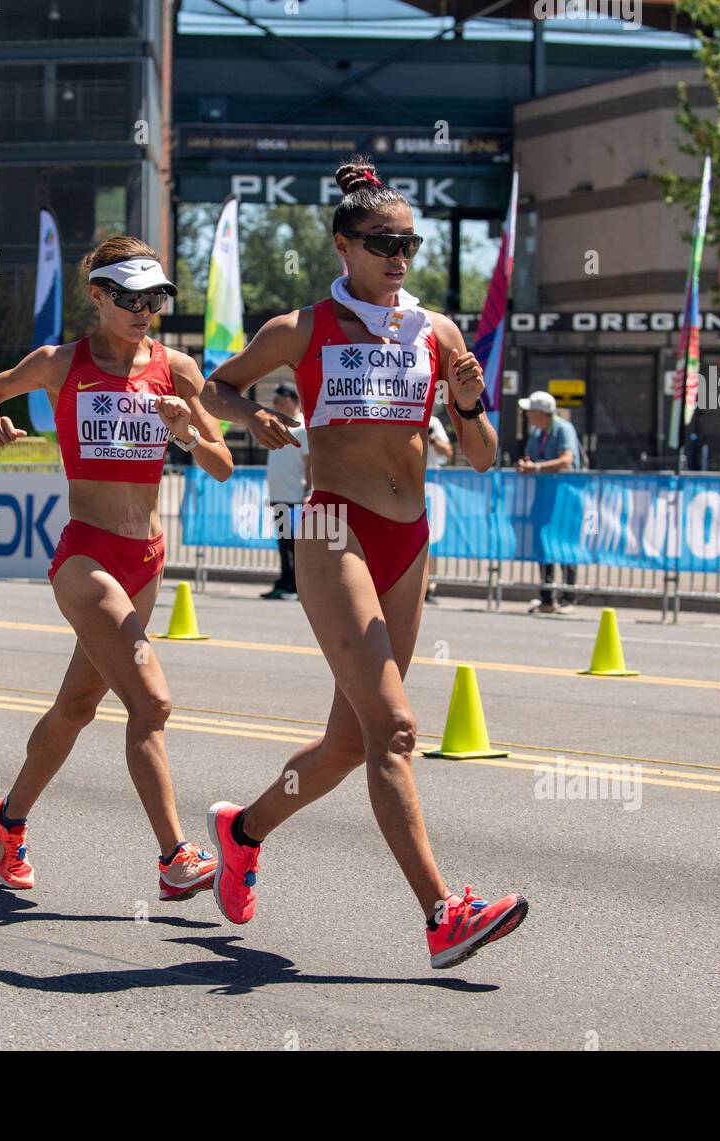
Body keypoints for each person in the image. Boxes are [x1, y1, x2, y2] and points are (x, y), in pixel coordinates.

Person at [202, 156, 529, 969]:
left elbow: (483, 455)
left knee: (349, 745)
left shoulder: (438, 332)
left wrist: (467, 401)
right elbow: (216, 387)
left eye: (410, 242)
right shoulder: (301, 328)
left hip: (408, 538)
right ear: (344, 244)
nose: (400, 255)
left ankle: (242, 830)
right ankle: (443, 913)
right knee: (397, 729)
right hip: (330, 531)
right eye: (383, 240)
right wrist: (255, 420)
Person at [0, 236, 233, 902]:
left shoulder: (177, 368)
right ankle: (175, 856)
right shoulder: (62, 363)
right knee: (151, 701)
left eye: (155, 298)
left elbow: (222, 462)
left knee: (78, 705)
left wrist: (187, 432)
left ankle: (7, 820)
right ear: (98, 296)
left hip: (146, 559)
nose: (144, 310)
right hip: (86, 553)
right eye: (130, 298)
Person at [515, 391, 579, 615]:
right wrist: (526, 463)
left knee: (564, 543)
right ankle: (547, 597)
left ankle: (568, 597)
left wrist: (537, 468)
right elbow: (531, 457)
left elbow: (566, 461)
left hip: (564, 497)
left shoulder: (563, 429)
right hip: (543, 495)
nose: (528, 416)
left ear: (542, 414)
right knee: (542, 543)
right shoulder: (535, 432)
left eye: (531, 412)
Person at [262, 383, 310, 600]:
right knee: (284, 542)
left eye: (280, 401)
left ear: (291, 400)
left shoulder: (301, 428)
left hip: (296, 498)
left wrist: (309, 490)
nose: (276, 406)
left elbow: (310, 463)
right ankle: (285, 581)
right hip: (281, 496)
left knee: (296, 544)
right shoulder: (280, 427)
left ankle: (296, 585)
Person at [424, 413, 453, 604]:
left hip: (429, 489)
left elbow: (448, 452)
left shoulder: (433, 422)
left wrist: (432, 437)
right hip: (404, 485)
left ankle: (429, 586)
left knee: (430, 537)